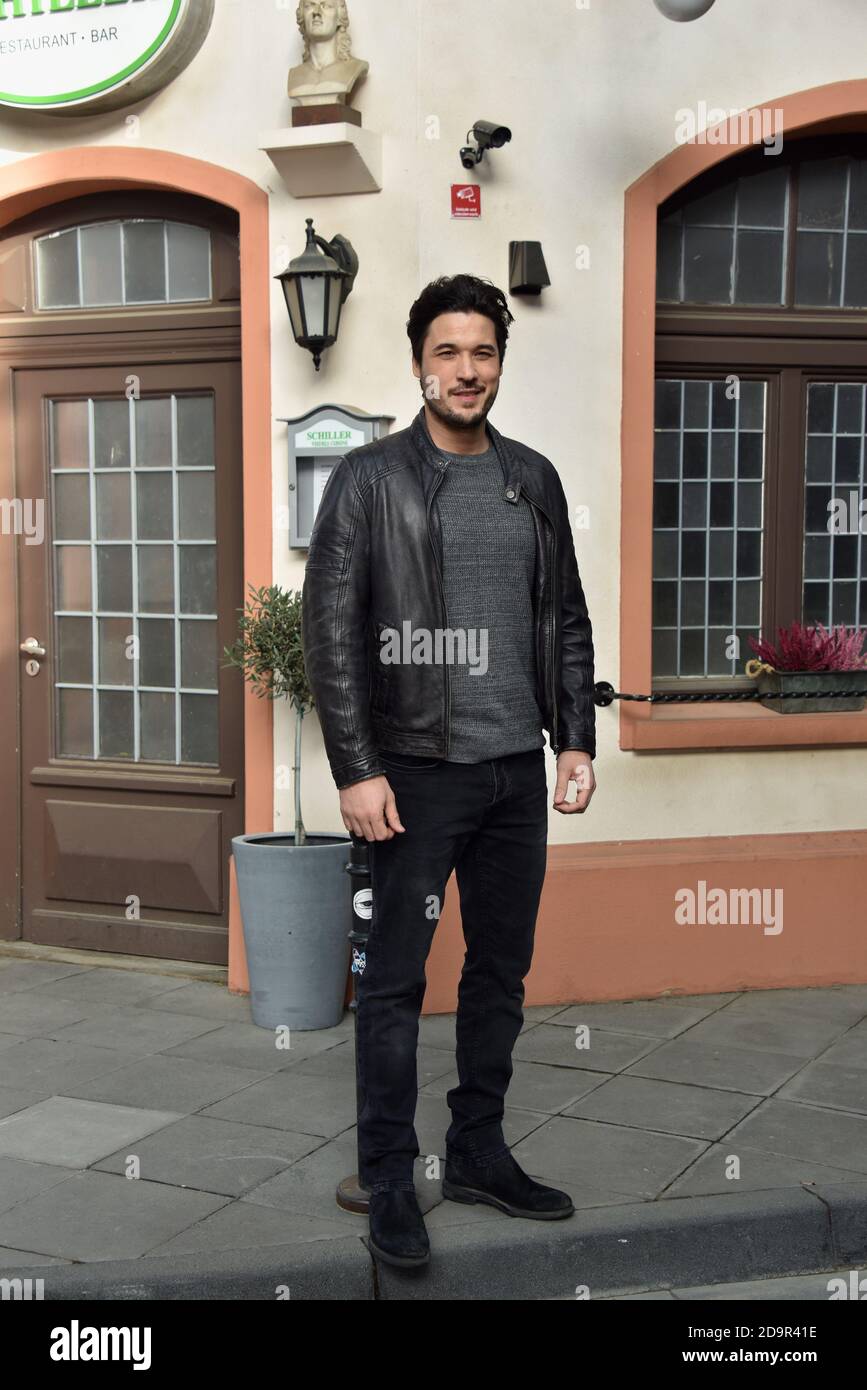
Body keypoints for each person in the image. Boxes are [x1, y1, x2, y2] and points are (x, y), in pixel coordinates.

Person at [301, 273, 597, 1268]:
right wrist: (356, 767)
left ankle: (476, 1149)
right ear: (418, 361)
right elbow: (331, 633)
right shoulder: (371, 480)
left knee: (499, 972)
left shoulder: (534, 478)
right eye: (447, 353)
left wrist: (575, 741)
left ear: (498, 362)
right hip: (415, 777)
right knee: (392, 983)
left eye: (483, 353)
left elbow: (563, 617)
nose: (467, 370)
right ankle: (389, 1174)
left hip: (515, 773)